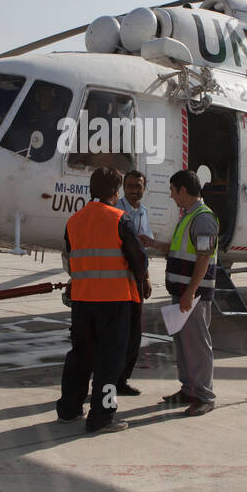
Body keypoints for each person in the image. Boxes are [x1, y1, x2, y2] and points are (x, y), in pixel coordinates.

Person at [56, 167, 149, 434]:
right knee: (110, 362)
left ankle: (69, 410)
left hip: (83, 301)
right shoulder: (120, 219)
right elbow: (139, 261)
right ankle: (101, 417)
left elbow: (71, 259)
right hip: (114, 301)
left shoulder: (74, 221)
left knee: (80, 356)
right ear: (115, 191)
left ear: (91, 190)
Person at [140, 169, 219, 417]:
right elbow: (178, 250)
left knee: (197, 346)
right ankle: (189, 390)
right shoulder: (188, 216)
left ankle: (205, 396)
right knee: (184, 346)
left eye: (173, 192)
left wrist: (191, 292)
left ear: (183, 190)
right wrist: (153, 244)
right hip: (182, 294)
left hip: (192, 296)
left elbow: (204, 258)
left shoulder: (203, 219)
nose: (172, 197)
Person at [113, 169, 154, 395]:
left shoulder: (144, 212)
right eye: (130, 186)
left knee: (134, 333)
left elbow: (142, 249)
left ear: (144, 189)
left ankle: (122, 380)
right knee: (118, 333)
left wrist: (146, 277)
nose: (134, 191)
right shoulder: (117, 211)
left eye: (138, 187)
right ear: (122, 188)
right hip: (119, 279)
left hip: (136, 279)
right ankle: (109, 380)